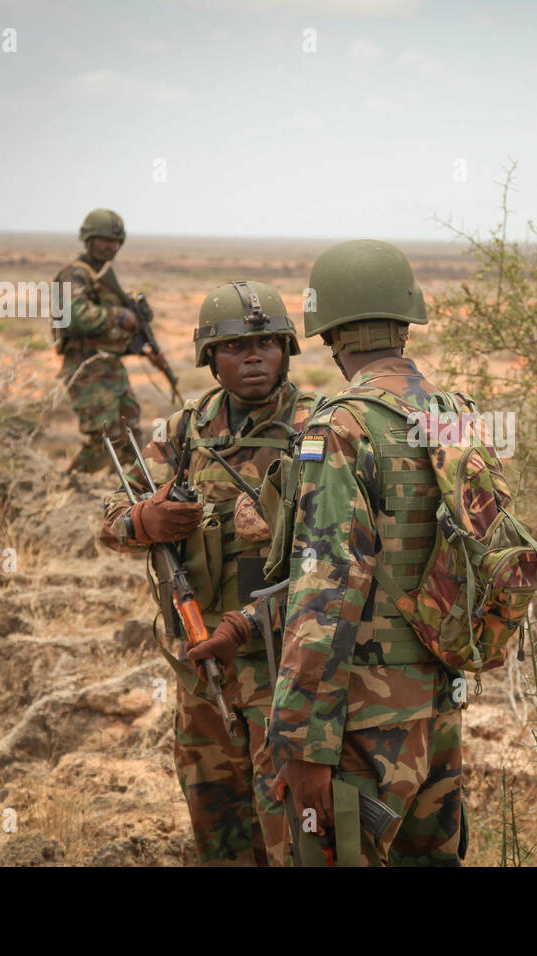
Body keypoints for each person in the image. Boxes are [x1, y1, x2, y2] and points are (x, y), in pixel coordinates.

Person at [195, 239, 465, 866]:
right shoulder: (451, 414)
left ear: (328, 332)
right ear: (405, 318)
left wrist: (301, 742)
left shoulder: (340, 426)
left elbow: (325, 589)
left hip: (360, 719)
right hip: (439, 702)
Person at [100, 280, 317, 865]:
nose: (254, 357)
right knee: (214, 814)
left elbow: (346, 541)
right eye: (237, 347)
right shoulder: (180, 432)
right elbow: (110, 521)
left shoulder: (319, 429)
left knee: (292, 817)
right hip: (201, 660)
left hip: (283, 659)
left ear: (287, 350)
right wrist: (146, 520)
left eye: (268, 343)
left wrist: (278, 522)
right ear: (210, 359)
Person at [53, 208, 148, 473]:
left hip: (109, 366)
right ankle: (70, 488)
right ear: (89, 238)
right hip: (86, 367)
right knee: (103, 437)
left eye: (116, 242)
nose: (111, 247)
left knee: (128, 434)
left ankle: (126, 492)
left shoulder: (101, 276)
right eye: (105, 240)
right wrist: (120, 314)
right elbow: (75, 317)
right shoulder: (75, 274)